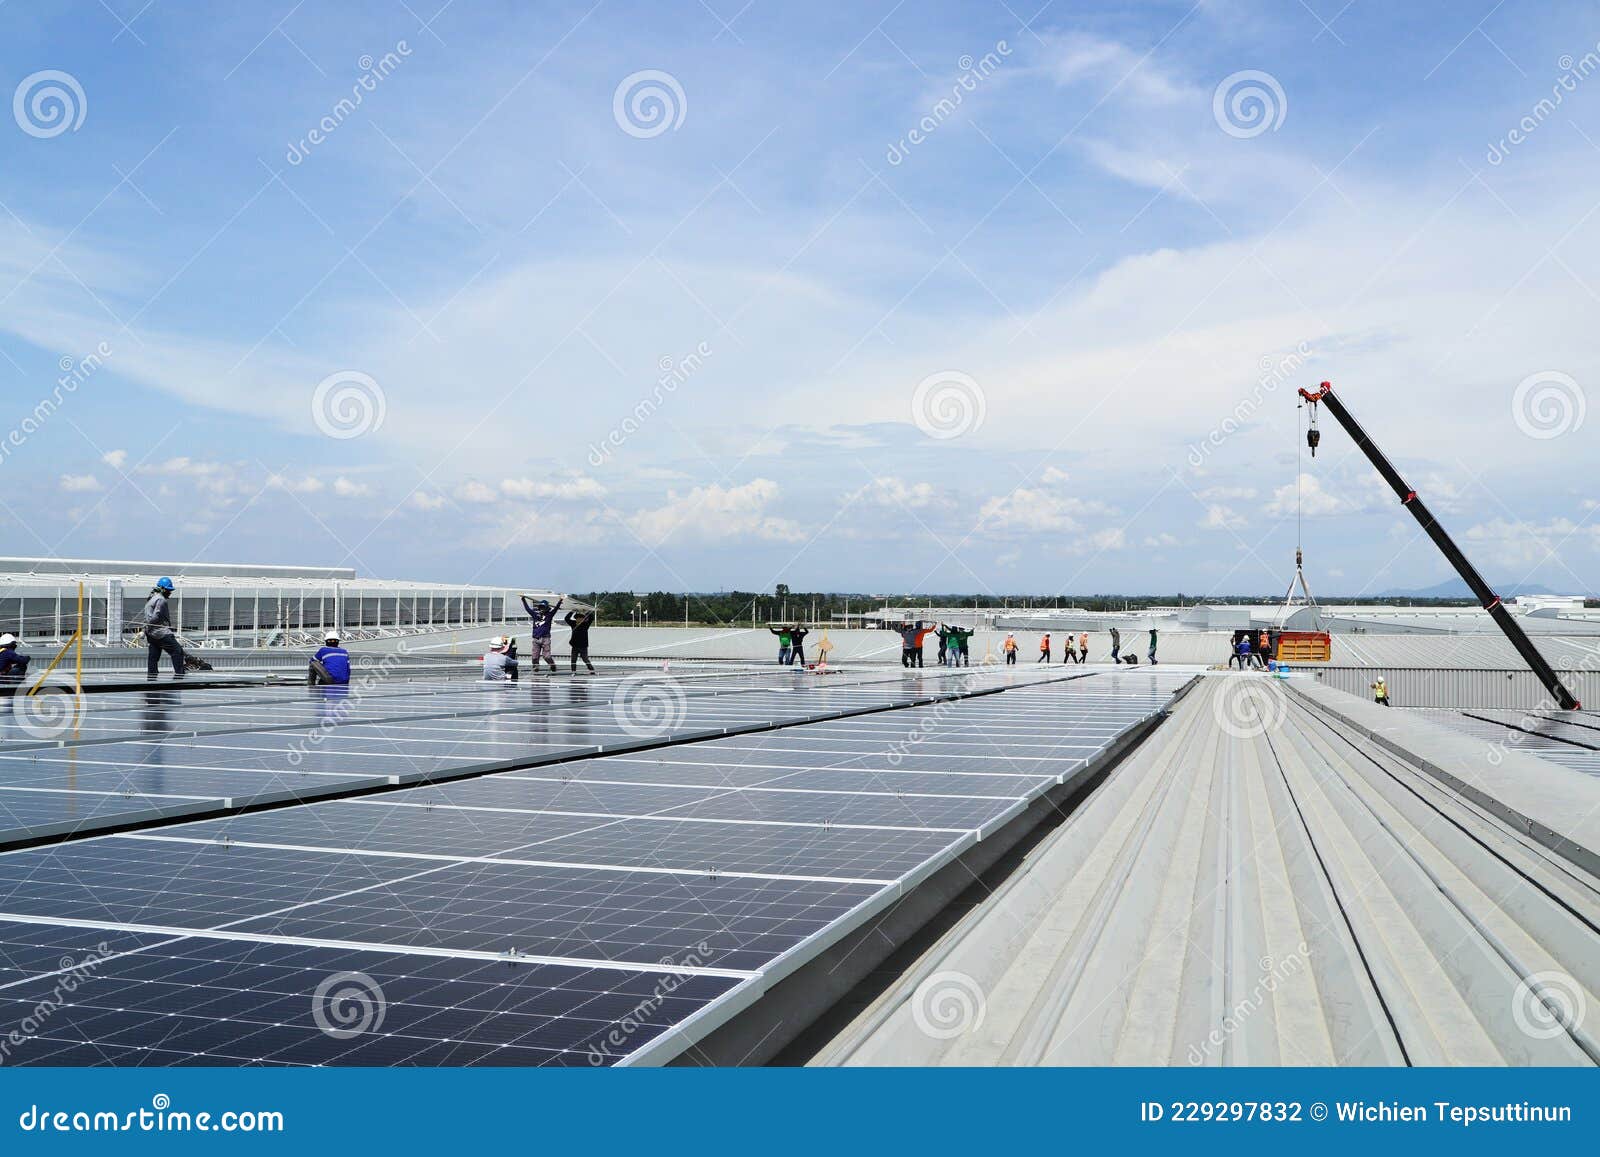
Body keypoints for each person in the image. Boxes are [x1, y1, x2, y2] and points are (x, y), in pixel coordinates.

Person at [143, 577, 186, 680]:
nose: (170, 592)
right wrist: (149, 625)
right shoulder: (161, 600)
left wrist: (146, 628)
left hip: (151, 634)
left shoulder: (151, 598)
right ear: (163, 589)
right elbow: (156, 615)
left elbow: (148, 617)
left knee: (153, 656)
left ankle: (151, 678)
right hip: (161, 632)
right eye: (169, 590)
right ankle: (179, 676)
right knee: (177, 651)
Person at [520, 595, 563, 674]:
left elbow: (556, 609)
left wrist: (560, 601)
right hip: (536, 639)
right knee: (534, 656)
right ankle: (536, 668)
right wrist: (523, 600)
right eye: (540, 607)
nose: (541, 609)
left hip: (545, 638)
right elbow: (527, 609)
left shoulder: (549, 615)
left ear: (546, 608)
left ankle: (552, 665)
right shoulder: (535, 615)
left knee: (546, 656)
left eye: (543, 607)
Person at [564, 608, 595, 674]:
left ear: (583, 619)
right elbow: (566, 619)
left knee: (585, 659)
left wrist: (586, 612)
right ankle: (573, 671)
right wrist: (572, 611)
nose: (579, 619)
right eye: (578, 618)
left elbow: (591, 618)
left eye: (581, 618)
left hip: (583, 646)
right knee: (573, 659)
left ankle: (592, 670)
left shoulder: (586, 624)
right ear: (576, 618)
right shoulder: (573, 623)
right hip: (574, 645)